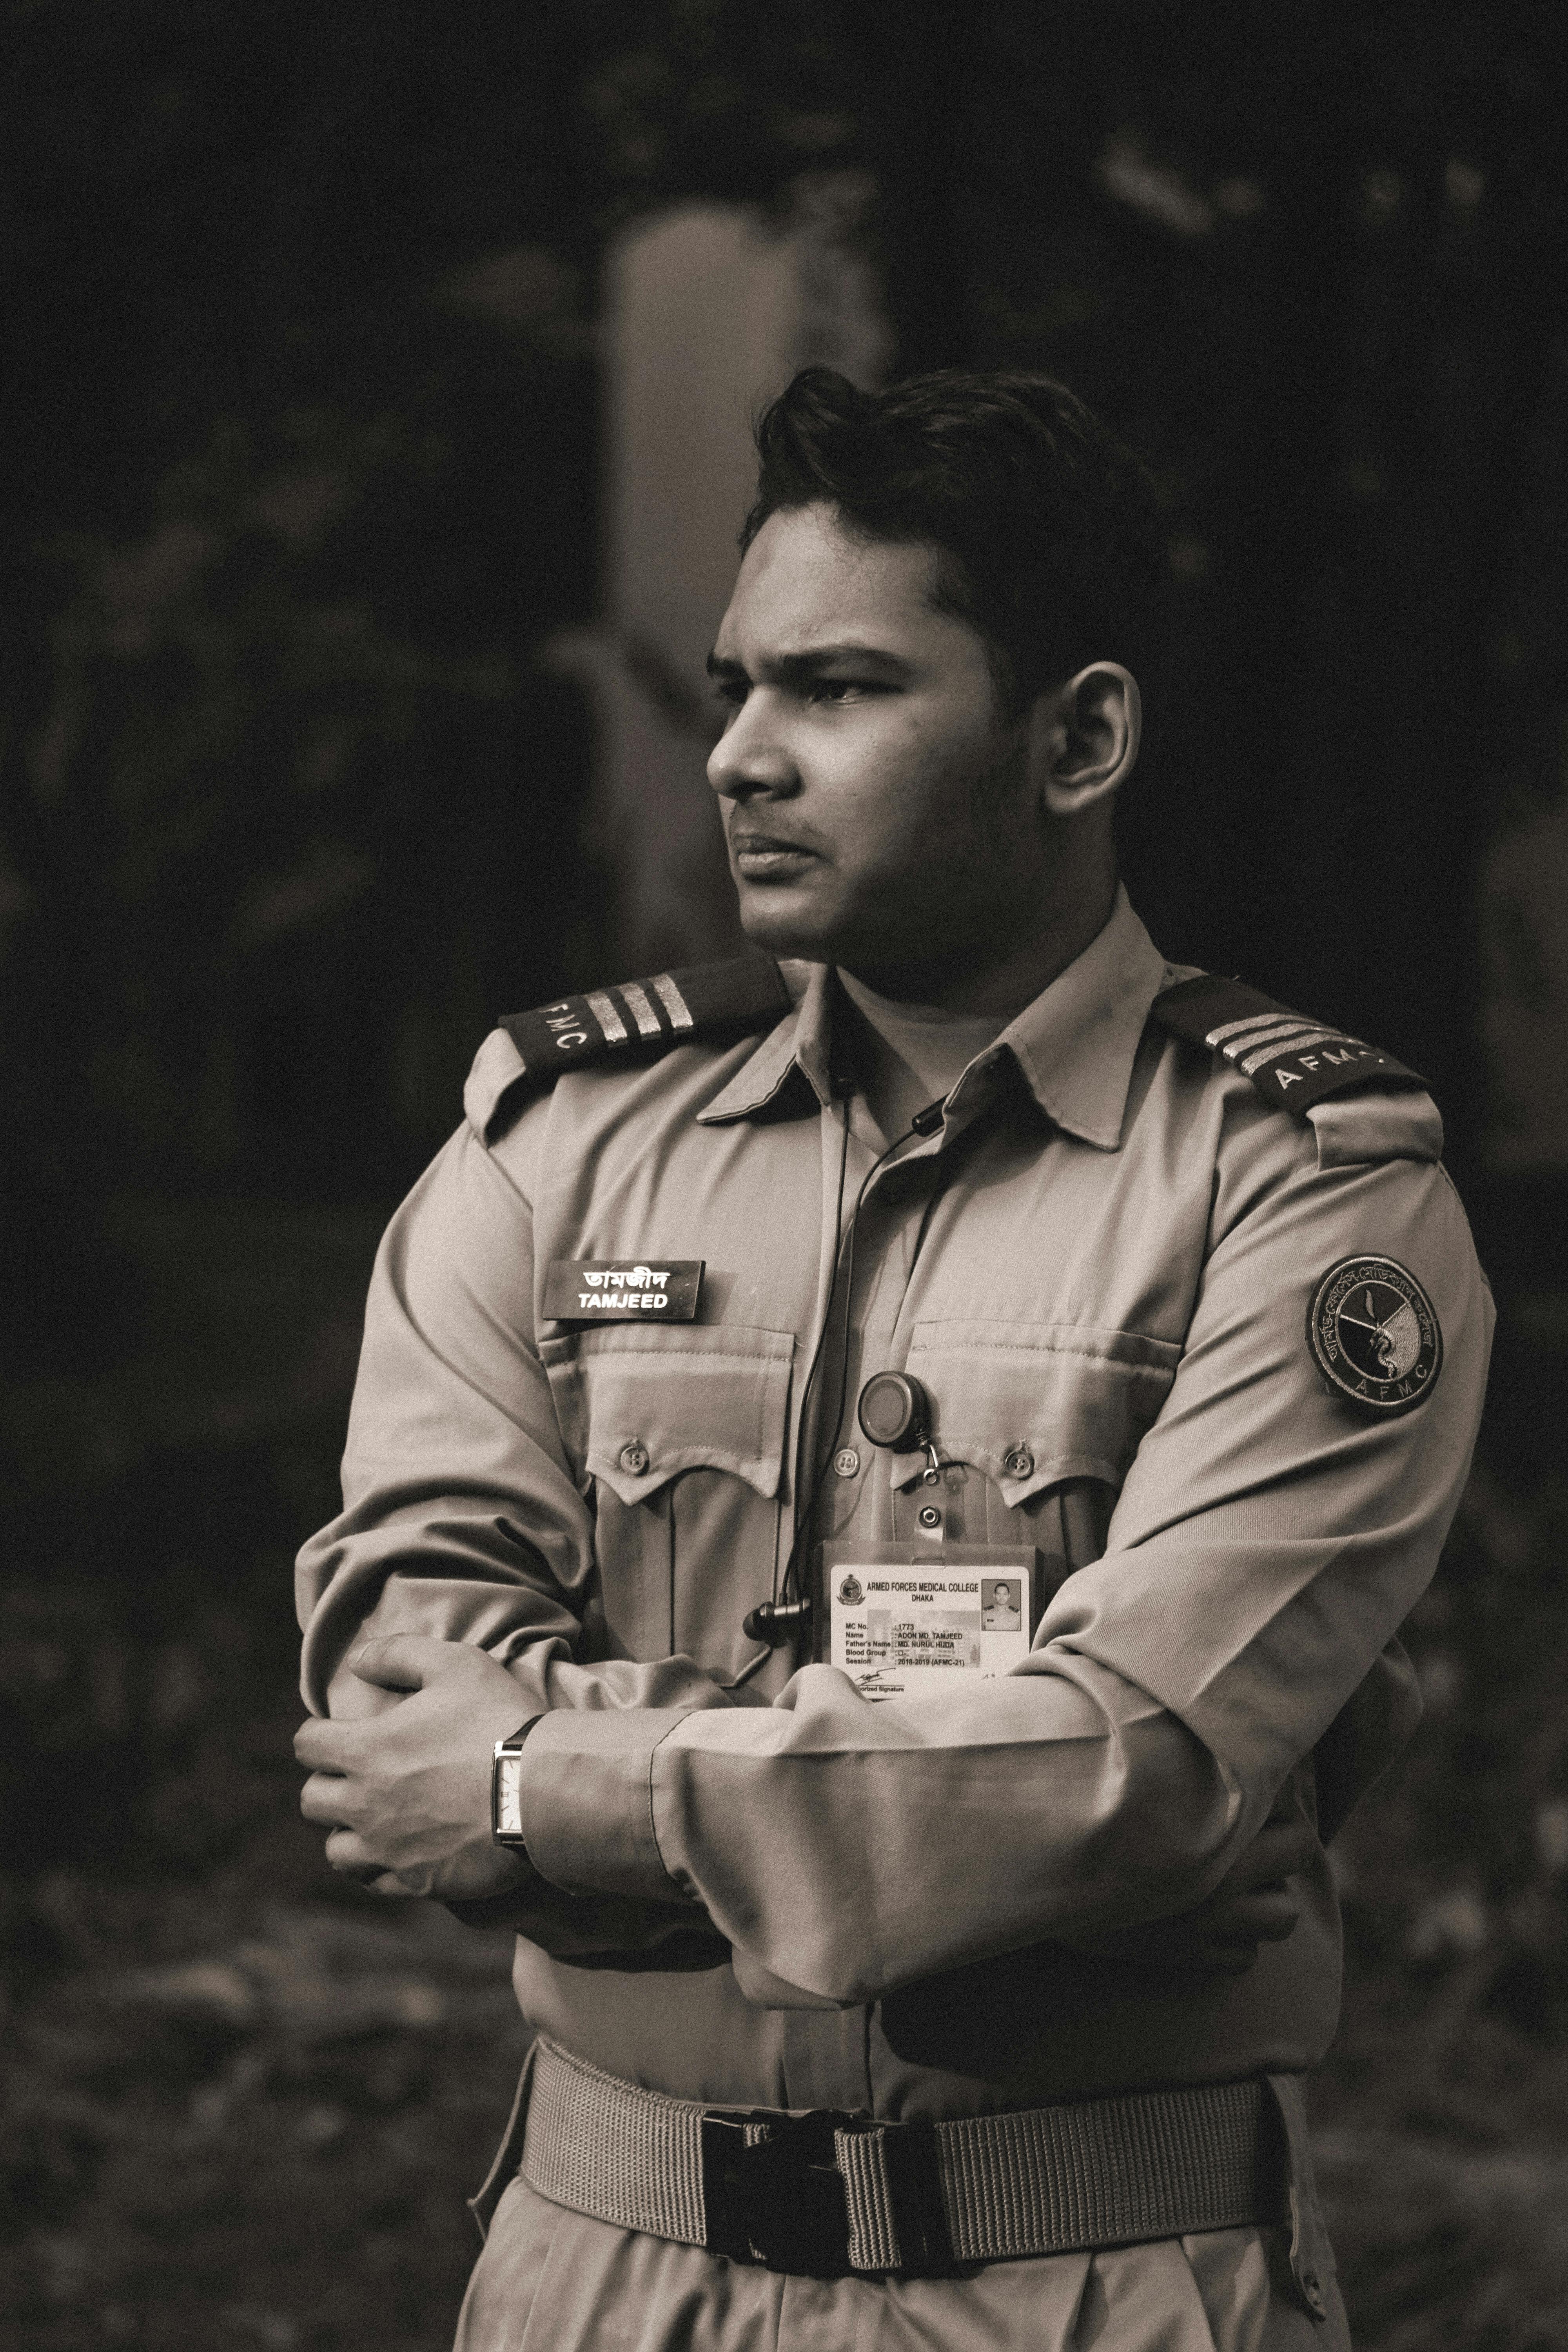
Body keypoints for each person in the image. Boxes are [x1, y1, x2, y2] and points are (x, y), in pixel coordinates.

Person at [293, 367, 1492, 2350]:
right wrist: (981, 1834)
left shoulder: (1306, 1193)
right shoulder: (559, 1135)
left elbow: (1129, 1763)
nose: (744, 760)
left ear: (1080, 737)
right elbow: (389, 1678)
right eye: (733, 692)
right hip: (593, 2273)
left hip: (1093, 2282)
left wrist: (540, 1794)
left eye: (839, 691)